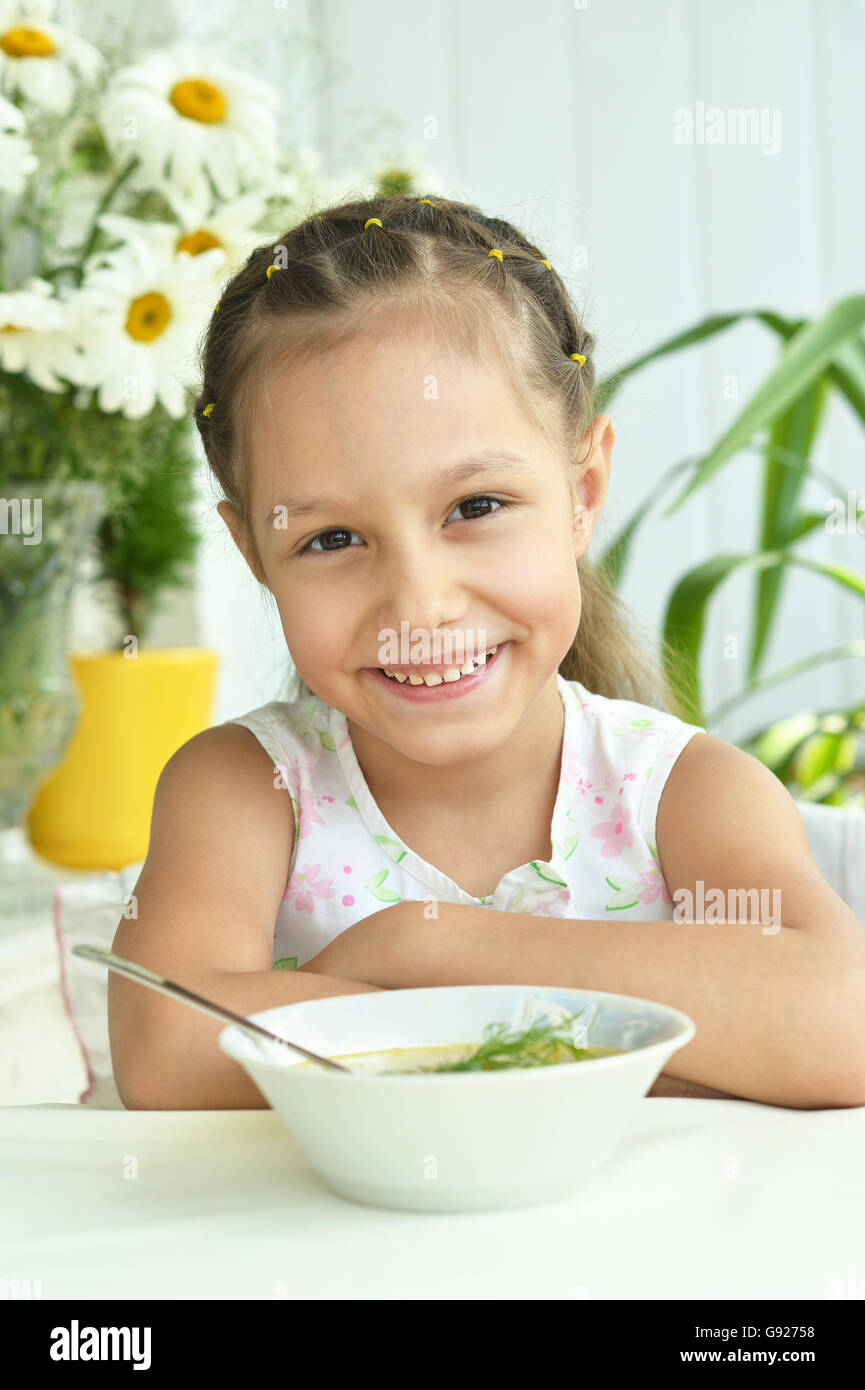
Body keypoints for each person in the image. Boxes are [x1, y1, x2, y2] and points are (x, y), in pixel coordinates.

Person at [109, 194, 865, 1111]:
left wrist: (425, 944)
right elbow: (170, 1048)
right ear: (252, 554)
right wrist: (646, 1038)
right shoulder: (244, 789)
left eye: (474, 509)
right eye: (332, 539)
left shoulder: (682, 792)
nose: (419, 602)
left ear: (582, 492)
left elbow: (838, 1025)